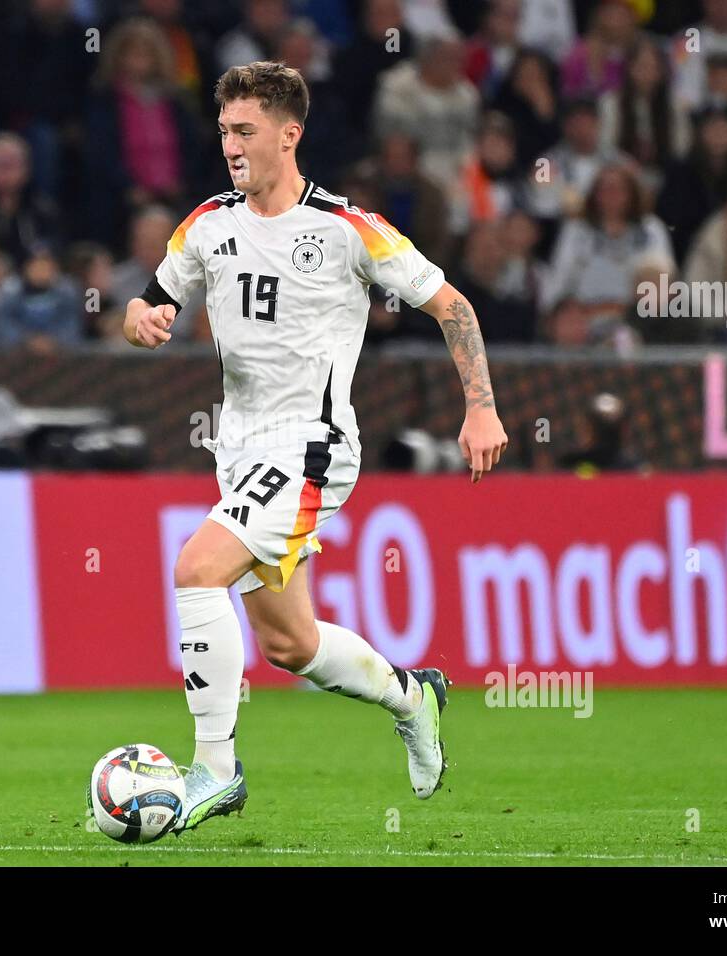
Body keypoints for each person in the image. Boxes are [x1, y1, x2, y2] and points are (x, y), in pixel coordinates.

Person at [122, 61, 508, 831]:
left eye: (246, 131)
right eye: (225, 130)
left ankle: (213, 772)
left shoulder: (346, 227)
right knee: (289, 645)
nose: (231, 144)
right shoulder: (206, 224)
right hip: (240, 449)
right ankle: (413, 695)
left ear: (288, 135)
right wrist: (140, 316)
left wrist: (482, 410)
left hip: (313, 446)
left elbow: (453, 305)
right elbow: (152, 298)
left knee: (196, 569)